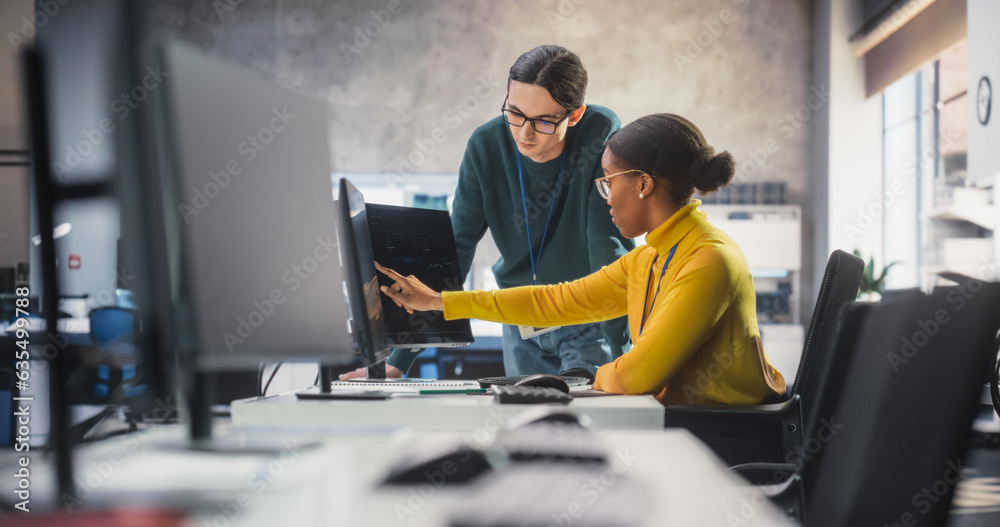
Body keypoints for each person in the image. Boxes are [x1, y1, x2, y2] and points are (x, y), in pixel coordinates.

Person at [373, 113, 787, 408]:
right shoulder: (650, 257)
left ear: (643, 184)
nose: (604, 197)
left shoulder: (709, 259)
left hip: (727, 435)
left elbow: (632, 377)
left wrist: (570, 381)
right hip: (687, 424)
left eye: (607, 183)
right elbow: (554, 302)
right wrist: (440, 303)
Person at [341, 45, 633, 380]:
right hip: (517, 319)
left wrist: (624, 353)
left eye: (544, 121)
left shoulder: (600, 132)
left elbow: (606, 246)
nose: (524, 133)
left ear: (576, 114)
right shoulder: (486, 145)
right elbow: (455, 251)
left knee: (590, 419)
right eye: (515, 113)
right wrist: (399, 361)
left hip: (585, 318)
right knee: (528, 424)